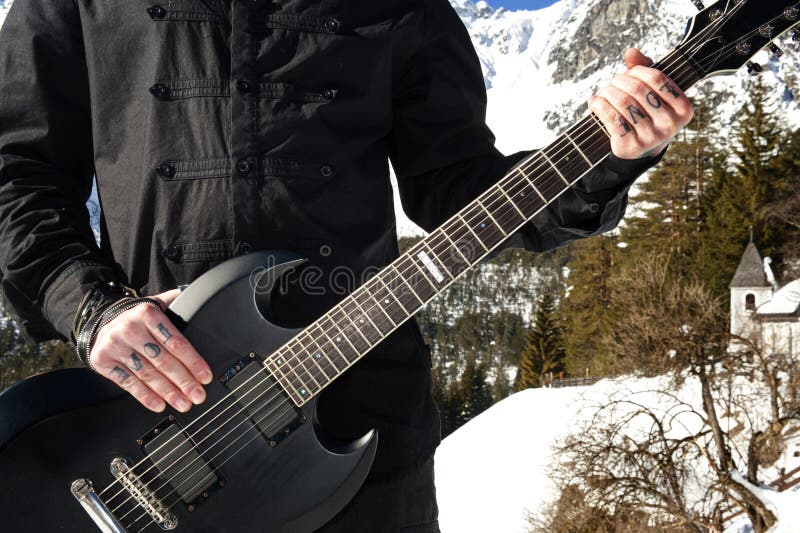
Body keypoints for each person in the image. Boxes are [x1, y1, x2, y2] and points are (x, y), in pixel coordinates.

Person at [0, 0, 692, 531]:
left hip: (361, 441)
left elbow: (459, 187)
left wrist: (610, 154)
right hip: (146, 437)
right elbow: (14, 172)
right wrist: (91, 307)